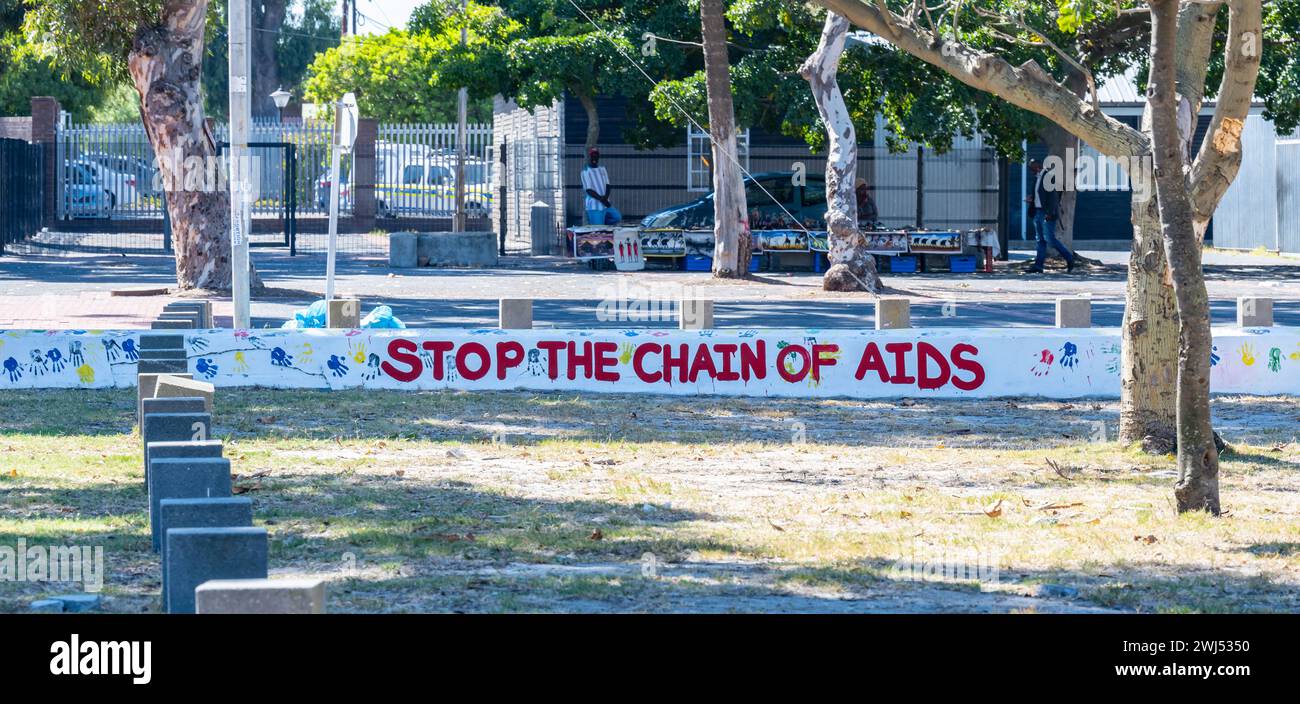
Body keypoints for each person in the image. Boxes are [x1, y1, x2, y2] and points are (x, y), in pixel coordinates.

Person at [1026, 159, 1076, 273]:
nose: (1031, 171)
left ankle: (1069, 258)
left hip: (1046, 213)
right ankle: (1038, 266)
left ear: (1038, 166)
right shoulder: (1037, 178)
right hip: (1038, 212)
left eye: (1031, 168)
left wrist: (1050, 213)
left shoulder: (1048, 177)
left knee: (1050, 240)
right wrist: (1032, 200)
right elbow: (1039, 196)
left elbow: (1053, 197)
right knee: (1040, 240)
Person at [580, 148, 620, 226]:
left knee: (617, 217)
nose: (594, 158)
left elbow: (608, 185)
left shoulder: (602, 169)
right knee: (598, 229)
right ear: (589, 157)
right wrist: (603, 200)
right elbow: (589, 190)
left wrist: (606, 198)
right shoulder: (585, 172)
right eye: (592, 156)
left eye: (596, 156)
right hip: (594, 207)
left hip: (605, 204)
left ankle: (604, 225)